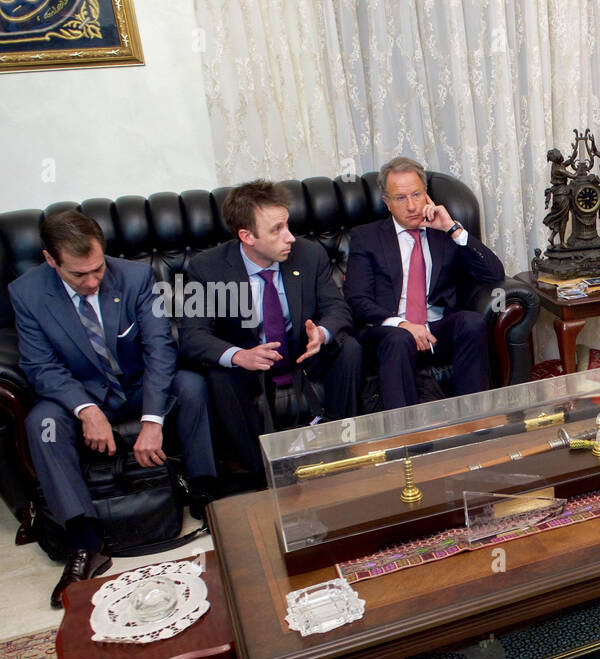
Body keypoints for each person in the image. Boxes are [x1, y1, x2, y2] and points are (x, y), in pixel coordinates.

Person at [12, 210, 218, 607]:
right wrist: (87, 410)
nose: (92, 282)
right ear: (50, 260)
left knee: (191, 386)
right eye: (79, 275)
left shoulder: (135, 276)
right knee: (43, 424)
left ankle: (205, 497)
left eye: (97, 268)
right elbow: (40, 366)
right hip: (78, 391)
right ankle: (85, 542)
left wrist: (152, 420)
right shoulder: (27, 293)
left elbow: (159, 347)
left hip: (138, 386)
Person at [180, 180, 362, 485]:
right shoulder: (208, 268)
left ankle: (342, 454)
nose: (289, 237)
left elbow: (337, 308)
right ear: (247, 236)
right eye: (276, 229)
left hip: (301, 354)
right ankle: (262, 474)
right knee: (219, 376)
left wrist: (322, 332)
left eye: (287, 225)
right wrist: (239, 355)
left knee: (349, 348)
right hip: (250, 366)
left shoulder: (308, 254)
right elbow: (192, 336)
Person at [343, 156, 504, 410]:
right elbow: (357, 299)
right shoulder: (367, 237)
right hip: (390, 333)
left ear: (427, 195)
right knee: (399, 340)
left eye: (416, 195)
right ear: (386, 202)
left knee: (471, 322)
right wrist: (403, 324)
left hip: (434, 331)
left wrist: (452, 228)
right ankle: (408, 437)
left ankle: (473, 420)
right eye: (400, 198)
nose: (411, 206)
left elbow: (494, 275)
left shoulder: (443, 233)